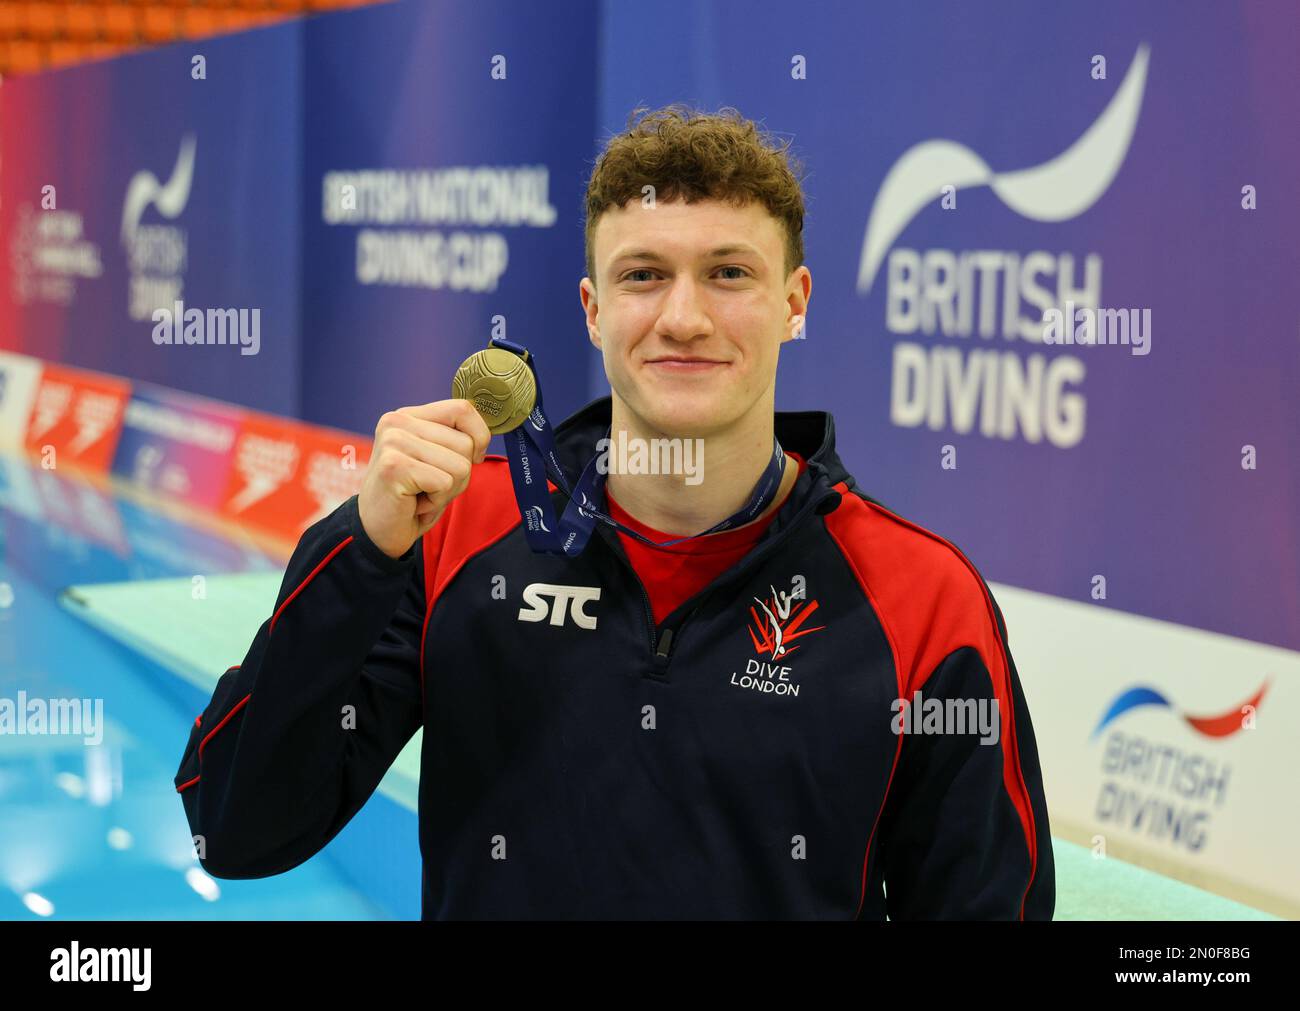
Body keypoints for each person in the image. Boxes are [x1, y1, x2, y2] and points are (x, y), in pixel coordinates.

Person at [175, 104, 1055, 920]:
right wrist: (360, 551)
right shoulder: (457, 534)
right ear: (594, 312)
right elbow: (240, 830)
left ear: (795, 304)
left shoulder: (922, 598)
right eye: (644, 275)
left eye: (729, 274)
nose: (683, 316)